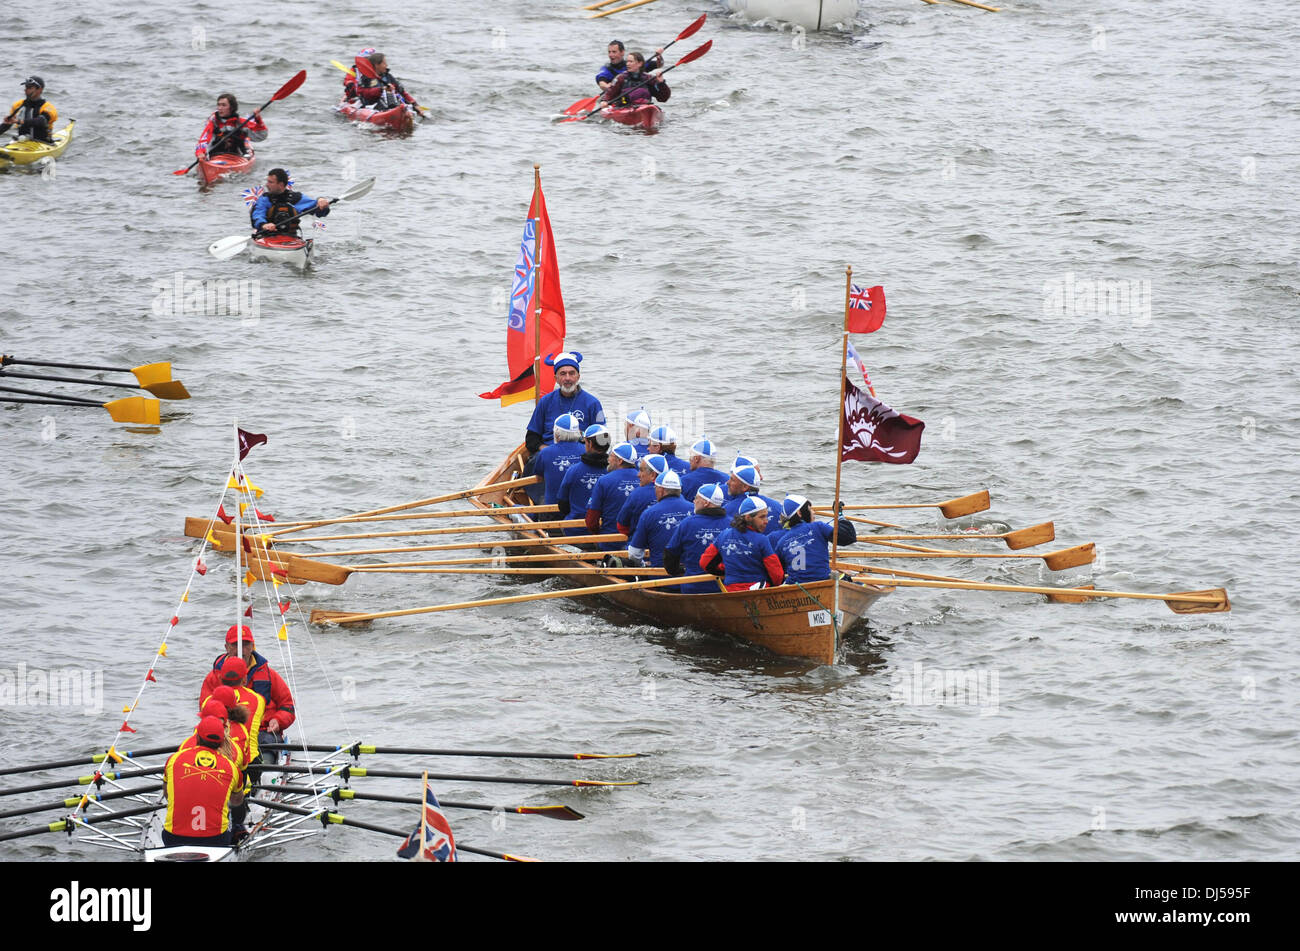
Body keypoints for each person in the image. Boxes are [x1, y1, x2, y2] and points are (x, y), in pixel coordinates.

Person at [199, 625, 296, 741]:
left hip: (262, 732)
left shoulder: (269, 675)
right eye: (235, 645)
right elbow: (205, 709)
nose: (241, 650)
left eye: (245, 644)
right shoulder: (214, 677)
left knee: (266, 756)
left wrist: (278, 720)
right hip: (225, 731)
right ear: (226, 647)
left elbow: (288, 706)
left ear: (252, 646)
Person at [161, 716, 242, 848]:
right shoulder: (232, 768)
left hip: (173, 838)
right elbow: (237, 801)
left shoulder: (174, 759)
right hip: (216, 840)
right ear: (222, 742)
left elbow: (167, 795)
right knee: (231, 812)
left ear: (197, 738)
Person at [524, 352, 606, 458]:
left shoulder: (592, 403)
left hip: (581, 457)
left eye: (572, 373)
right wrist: (548, 451)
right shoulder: (545, 402)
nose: (567, 378)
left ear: (578, 376)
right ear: (556, 378)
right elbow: (531, 439)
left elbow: (602, 440)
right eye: (563, 374)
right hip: (550, 454)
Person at [700, 497, 785, 591]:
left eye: (766, 516)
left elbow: (705, 563)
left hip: (730, 590)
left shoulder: (723, 535)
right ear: (748, 517)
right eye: (762, 517)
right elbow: (777, 574)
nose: (766, 521)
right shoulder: (762, 540)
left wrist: (727, 570)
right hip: (757, 589)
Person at [775, 496, 858, 583]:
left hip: (796, 586)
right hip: (822, 582)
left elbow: (778, 573)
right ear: (799, 513)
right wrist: (839, 514)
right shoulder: (818, 527)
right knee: (852, 581)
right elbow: (849, 537)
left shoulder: (781, 542)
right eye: (810, 509)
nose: (813, 512)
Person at [664, 483, 730, 593]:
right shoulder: (731, 524)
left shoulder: (688, 523)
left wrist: (677, 571)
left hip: (694, 587)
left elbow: (671, 554)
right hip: (723, 587)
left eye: (697, 498)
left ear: (706, 503)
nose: (694, 501)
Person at [628, 469, 693, 578]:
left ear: (661, 490)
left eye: (655, 488)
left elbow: (634, 554)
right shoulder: (695, 510)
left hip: (660, 577)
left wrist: (642, 565)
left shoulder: (649, 513)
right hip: (690, 577)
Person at [555, 424, 611, 538]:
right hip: (604, 530)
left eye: (585, 442)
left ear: (589, 444)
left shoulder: (573, 470)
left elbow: (562, 505)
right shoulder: (613, 473)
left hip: (575, 529)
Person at [586, 441, 640, 551]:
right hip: (638, 543)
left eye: (611, 456)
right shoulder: (643, 480)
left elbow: (591, 521)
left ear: (620, 461)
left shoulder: (604, 481)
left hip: (610, 543)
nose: (608, 459)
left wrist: (599, 536)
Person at [249, 169, 330, 236]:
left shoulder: (296, 198)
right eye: (268, 181)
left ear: (280, 184)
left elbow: (320, 211)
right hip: (267, 236)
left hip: (290, 237)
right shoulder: (264, 199)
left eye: (271, 182)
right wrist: (263, 225)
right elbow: (257, 214)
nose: (267, 185)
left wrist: (321, 201)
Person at [194, 92, 266, 159]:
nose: (220, 108)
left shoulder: (241, 122)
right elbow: (204, 140)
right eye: (218, 105)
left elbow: (261, 136)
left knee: (236, 135)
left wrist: (258, 119)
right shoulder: (213, 122)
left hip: (236, 154)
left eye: (223, 105)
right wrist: (200, 152)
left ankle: (244, 154)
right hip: (216, 154)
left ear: (232, 107)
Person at [535, 413, 586, 506]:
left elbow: (539, 478)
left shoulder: (545, 452)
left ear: (557, 434)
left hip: (552, 509)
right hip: (581, 508)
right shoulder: (587, 451)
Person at [345, 50, 419, 111]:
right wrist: (381, 90)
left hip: (389, 104)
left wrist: (415, 104)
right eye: (384, 63)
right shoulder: (365, 77)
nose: (386, 65)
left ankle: (397, 109)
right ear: (377, 64)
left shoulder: (388, 76)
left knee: (394, 96)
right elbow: (363, 93)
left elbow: (402, 92)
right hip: (371, 106)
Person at [616, 453, 667, 537]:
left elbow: (621, 526)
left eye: (641, 470)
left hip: (639, 545)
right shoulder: (678, 495)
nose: (638, 474)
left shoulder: (637, 494)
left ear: (652, 475)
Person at [598, 52, 670, 110]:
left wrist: (661, 83)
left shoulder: (649, 78)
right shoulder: (621, 78)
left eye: (631, 61)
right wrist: (604, 101)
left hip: (645, 108)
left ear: (640, 63)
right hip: (625, 108)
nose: (627, 64)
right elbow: (609, 94)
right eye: (627, 61)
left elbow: (663, 98)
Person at [723, 465, 782, 533]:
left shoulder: (727, 510)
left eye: (732, 480)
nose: (728, 482)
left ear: (745, 487)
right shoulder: (778, 507)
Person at [596, 42, 664, 96]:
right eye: (609, 52)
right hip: (617, 98)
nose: (610, 55)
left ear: (622, 52)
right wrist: (609, 87)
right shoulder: (606, 69)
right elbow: (602, 83)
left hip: (636, 97)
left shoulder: (634, 65)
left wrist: (659, 56)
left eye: (614, 52)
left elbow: (659, 64)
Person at [2, 77, 57, 142]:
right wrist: (6, 124)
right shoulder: (18, 105)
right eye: (26, 87)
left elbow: (40, 121)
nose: (26, 90)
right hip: (22, 142)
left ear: (40, 90)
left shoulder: (48, 107)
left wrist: (19, 121)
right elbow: (8, 124)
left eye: (30, 88)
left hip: (43, 143)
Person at [680, 436, 725, 502]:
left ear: (696, 459)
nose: (689, 459)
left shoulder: (685, 481)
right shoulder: (727, 480)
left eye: (690, 456)